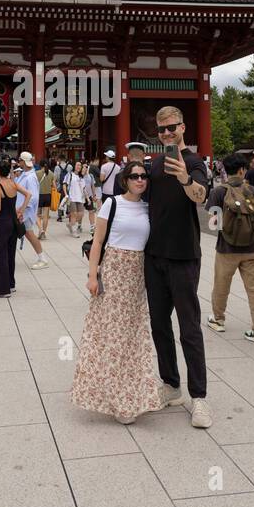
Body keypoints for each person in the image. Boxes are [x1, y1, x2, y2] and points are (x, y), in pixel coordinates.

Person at [73, 161, 164, 424]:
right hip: (113, 273)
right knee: (110, 336)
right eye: (134, 176)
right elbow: (98, 242)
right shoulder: (112, 204)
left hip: (137, 277)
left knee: (133, 337)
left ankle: (132, 396)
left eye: (143, 176)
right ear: (125, 180)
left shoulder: (149, 208)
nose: (139, 180)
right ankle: (111, 397)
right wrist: (93, 275)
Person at [145, 106, 213, 428]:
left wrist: (185, 177)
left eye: (172, 127)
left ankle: (199, 397)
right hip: (155, 256)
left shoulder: (196, 162)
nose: (167, 133)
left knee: (189, 327)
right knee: (159, 324)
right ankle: (171, 385)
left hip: (185, 255)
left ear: (184, 127)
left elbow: (200, 197)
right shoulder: (155, 164)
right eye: (162, 130)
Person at [204, 153, 254, 346]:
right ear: (242, 170)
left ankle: (218, 319)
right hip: (252, 247)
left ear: (225, 170)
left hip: (227, 248)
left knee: (222, 285)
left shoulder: (219, 192)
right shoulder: (253, 191)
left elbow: (214, 223)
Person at [0, 156, 33, 297]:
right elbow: (28, 194)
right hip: (13, 222)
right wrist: (21, 209)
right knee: (10, 254)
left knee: (1, 255)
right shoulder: (13, 183)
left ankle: (3, 290)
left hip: (2, 223)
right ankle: (11, 284)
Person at [16, 152, 50, 268]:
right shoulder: (24, 174)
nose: (18, 161)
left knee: (29, 234)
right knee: (27, 234)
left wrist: (22, 209)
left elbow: (33, 197)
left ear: (24, 162)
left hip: (24, 212)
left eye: (20, 160)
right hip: (21, 211)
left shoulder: (30, 177)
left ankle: (42, 258)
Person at [36, 157, 54, 240]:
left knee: (37, 215)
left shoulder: (37, 173)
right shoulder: (51, 174)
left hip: (39, 195)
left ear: (40, 165)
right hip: (48, 196)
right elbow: (54, 186)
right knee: (45, 216)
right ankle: (44, 233)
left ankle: (41, 230)